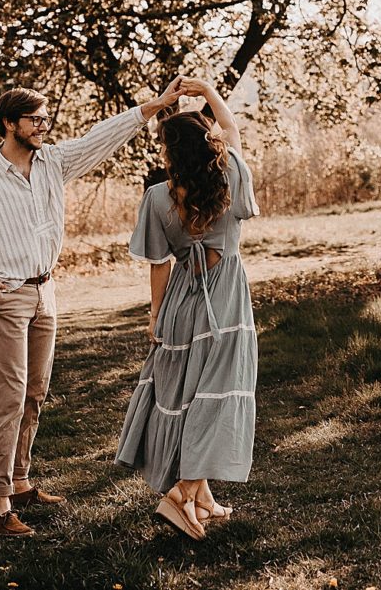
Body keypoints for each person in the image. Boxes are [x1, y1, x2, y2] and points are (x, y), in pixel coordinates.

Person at [0, 80, 184, 537]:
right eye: (35, 120)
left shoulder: (52, 161)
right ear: (9, 124)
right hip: (6, 298)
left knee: (35, 394)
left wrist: (157, 106)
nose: (44, 127)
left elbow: (100, 138)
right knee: (6, 399)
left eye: (46, 119)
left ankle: (23, 481)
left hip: (46, 292)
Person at [115, 78, 259, 540]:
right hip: (224, 300)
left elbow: (158, 264)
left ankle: (204, 497)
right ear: (208, 142)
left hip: (181, 301)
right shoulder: (229, 175)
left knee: (185, 395)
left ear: (169, 154)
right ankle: (182, 492)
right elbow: (232, 129)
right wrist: (207, 91)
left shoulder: (158, 196)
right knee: (219, 392)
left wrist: (156, 313)